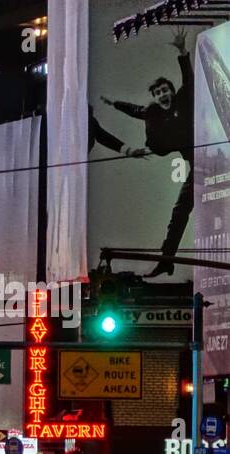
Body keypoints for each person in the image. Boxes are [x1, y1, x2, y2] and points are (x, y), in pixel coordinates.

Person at [99, 27, 194, 276]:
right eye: (158, 92)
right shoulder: (153, 112)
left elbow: (188, 79)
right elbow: (134, 110)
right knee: (179, 211)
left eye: (165, 90)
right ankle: (167, 260)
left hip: (201, 155)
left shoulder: (183, 99)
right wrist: (114, 103)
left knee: (181, 208)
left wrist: (183, 52)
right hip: (173, 150)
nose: (163, 95)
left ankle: (166, 259)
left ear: (172, 92)